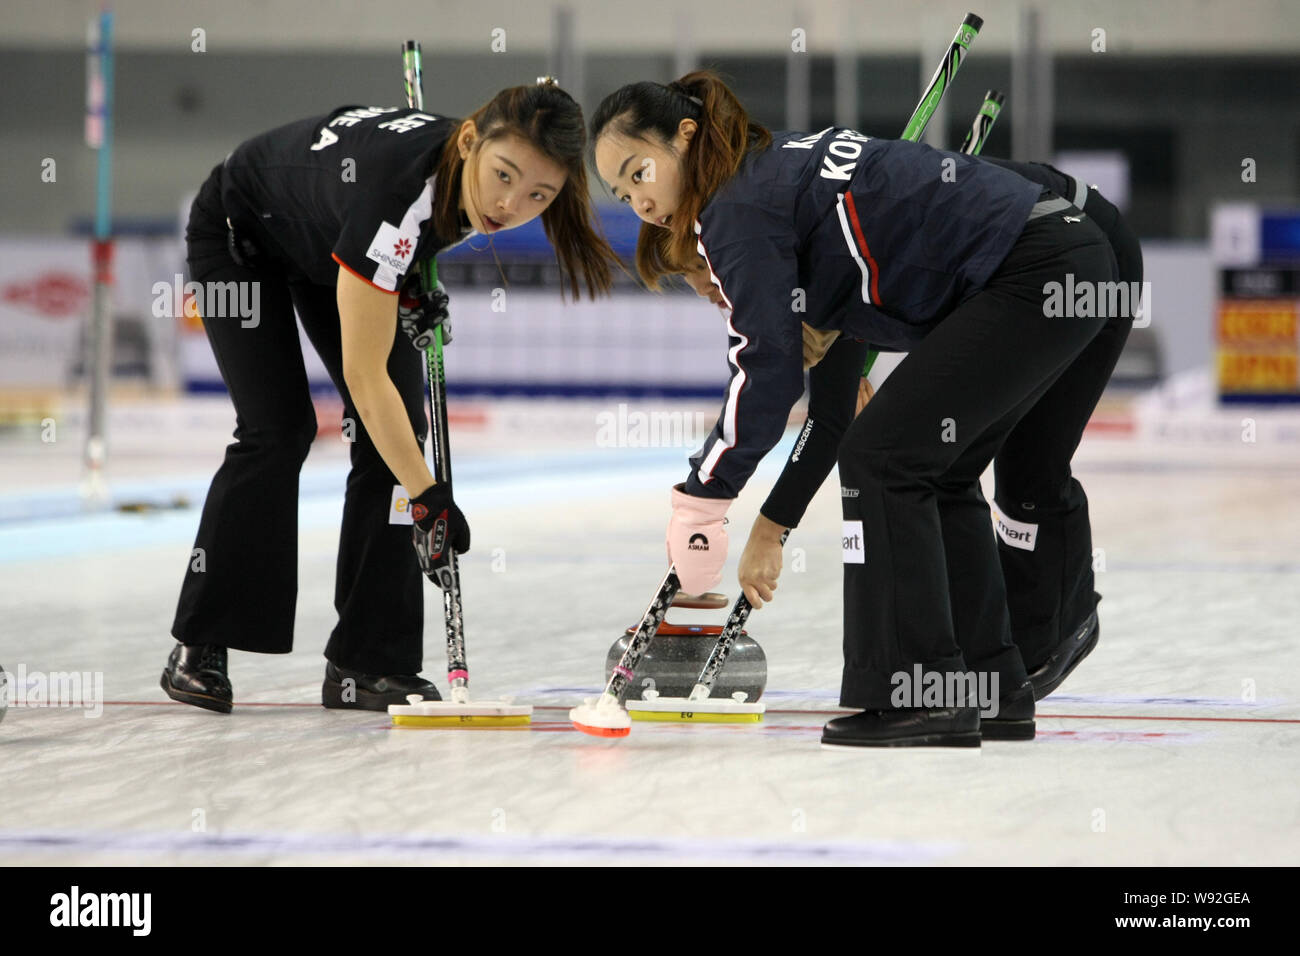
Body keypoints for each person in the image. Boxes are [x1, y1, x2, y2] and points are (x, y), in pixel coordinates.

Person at [591, 72, 1120, 747]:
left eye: (640, 173)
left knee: (881, 460)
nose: (639, 200)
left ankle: (919, 693)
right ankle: (991, 692)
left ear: (685, 138)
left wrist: (703, 499)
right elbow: (799, 368)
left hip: (1040, 264)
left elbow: (765, 371)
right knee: (940, 466)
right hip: (1060, 257)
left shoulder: (733, 207)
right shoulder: (769, 180)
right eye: (620, 192)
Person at [164, 80, 620, 715]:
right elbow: (363, 375)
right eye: (504, 176)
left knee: (394, 440)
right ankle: (200, 643)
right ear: (469, 141)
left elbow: (383, 244)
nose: (511, 204)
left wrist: (404, 285)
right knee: (280, 428)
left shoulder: (461, 186)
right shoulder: (399, 194)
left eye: (538, 195)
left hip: (334, 239)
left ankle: (368, 661)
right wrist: (430, 498)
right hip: (242, 235)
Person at [657, 157, 1142, 703]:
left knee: (1028, 460)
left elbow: (830, 421)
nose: (712, 295)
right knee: (947, 461)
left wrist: (768, 531)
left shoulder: (808, 253)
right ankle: (992, 673)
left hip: (1082, 245)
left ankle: (1050, 633)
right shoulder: (790, 268)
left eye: (707, 278)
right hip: (1038, 256)